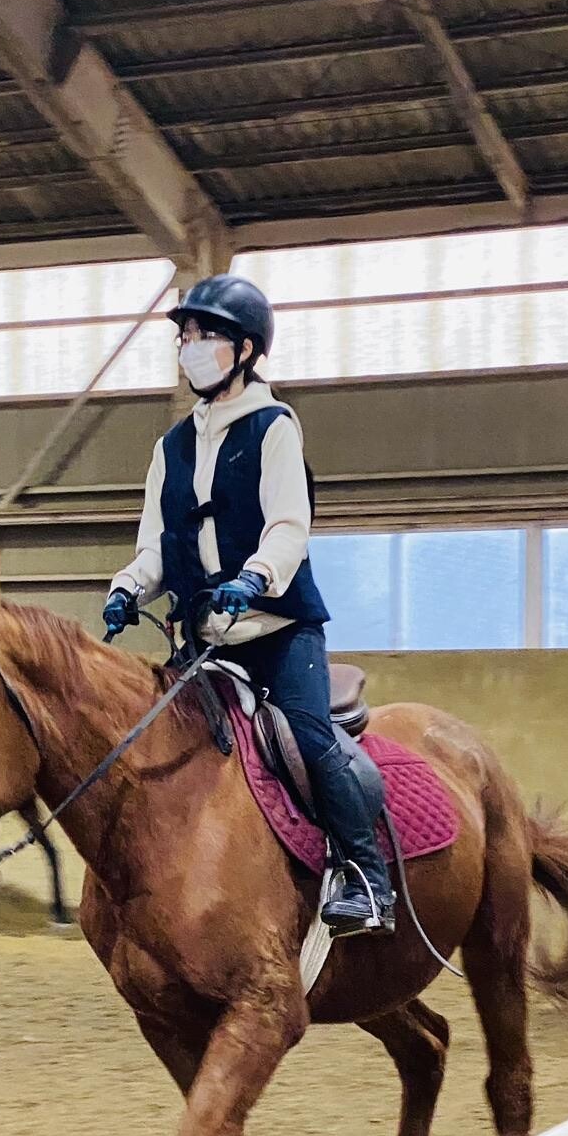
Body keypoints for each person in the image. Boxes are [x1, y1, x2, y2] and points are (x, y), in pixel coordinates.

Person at [102, 274, 395, 937]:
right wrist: (126, 587)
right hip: (201, 643)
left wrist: (254, 578)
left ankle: (366, 879)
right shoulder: (170, 447)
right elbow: (155, 544)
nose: (190, 346)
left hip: (278, 631)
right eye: (185, 336)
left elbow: (289, 527)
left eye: (204, 334)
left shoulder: (273, 427)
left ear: (244, 348)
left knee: (312, 742)